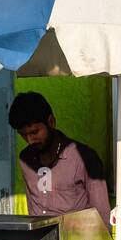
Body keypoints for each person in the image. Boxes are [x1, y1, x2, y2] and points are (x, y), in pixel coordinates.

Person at [9, 91, 112, 226]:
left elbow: (102, 215)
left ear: (51, 122)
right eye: (23, 135)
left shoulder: (84, 158)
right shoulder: (25, 158)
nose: (30, 140)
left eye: (34, 132)